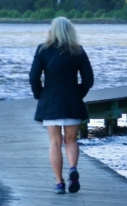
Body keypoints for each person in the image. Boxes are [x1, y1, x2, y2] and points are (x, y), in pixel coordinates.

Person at [29, 17, 94, 194]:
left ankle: (59, 183)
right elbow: (89, 80)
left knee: (55, 142)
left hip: (50, 101)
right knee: (71, 140)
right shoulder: (78, 51)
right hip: (72, 100)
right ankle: (73, 168)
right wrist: (79, 94)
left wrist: (39, 95)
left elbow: (34, 77)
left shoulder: (42, 50)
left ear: (52, 30)